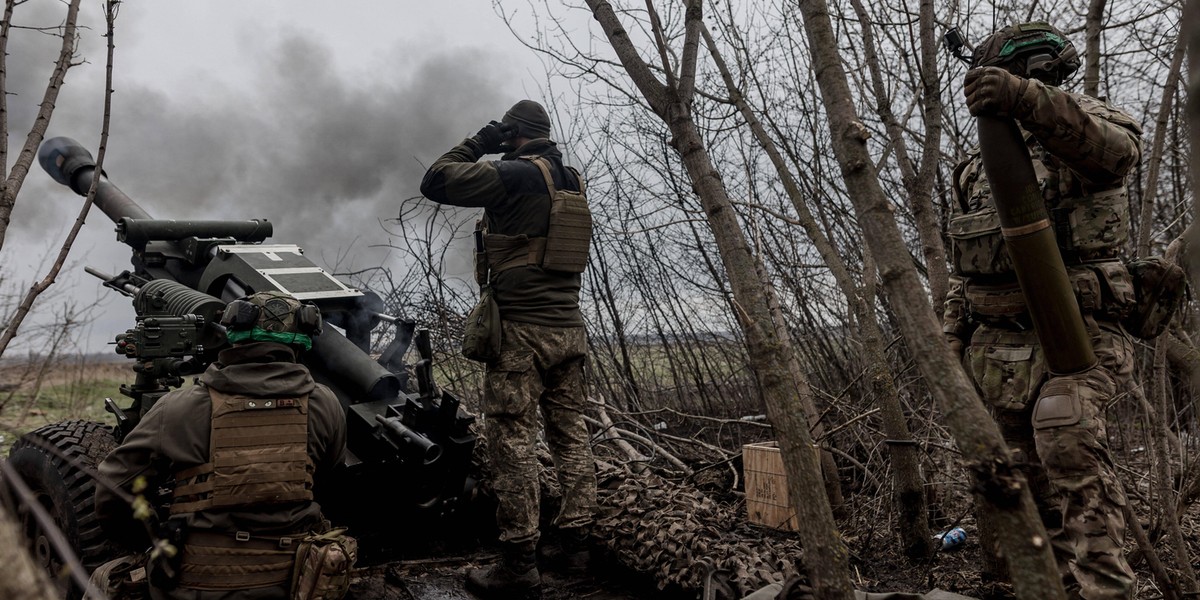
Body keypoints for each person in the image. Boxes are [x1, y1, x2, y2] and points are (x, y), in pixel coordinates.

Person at [942, 22, 1143, 600]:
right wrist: (950, 334)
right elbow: (967, 264)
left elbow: (1115, 156)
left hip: (1078, 337)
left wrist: (1025, 101)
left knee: (1065, 439)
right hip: (997, 350)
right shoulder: (975, 168)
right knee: (1022, 485)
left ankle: (1107, 589)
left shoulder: (1086, 123)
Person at [420, 99, 597, 599]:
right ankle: (576, 546)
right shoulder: (571, 179)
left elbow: (435, 179)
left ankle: (519, 564)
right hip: (569, 329)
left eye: (505, 135)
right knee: (571, 437)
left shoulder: (515, 175)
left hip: (521, 333)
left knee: (512, 442)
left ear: (513, 134)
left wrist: (481, 141)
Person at [94, 290, 349, 600]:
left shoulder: (179, 408)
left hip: (196, 585)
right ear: (301, 341)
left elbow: (113, 490)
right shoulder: (325, 405)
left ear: (234, 336)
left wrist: (151, 538)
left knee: (102, 580)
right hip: (297, 582)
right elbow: (329, 483)